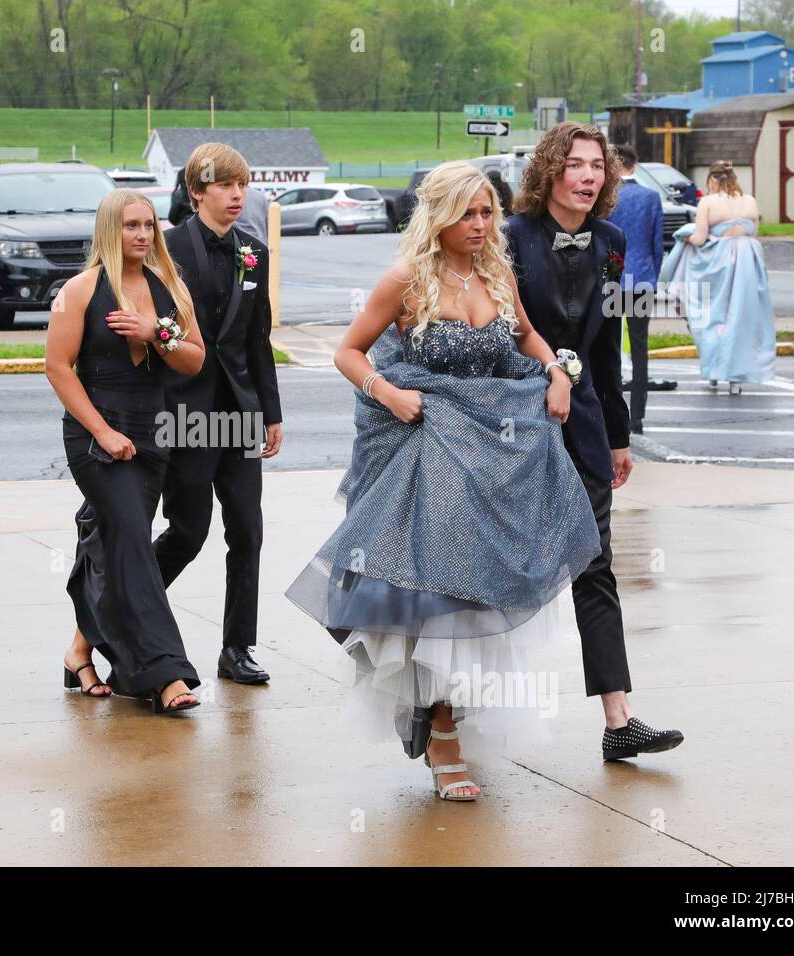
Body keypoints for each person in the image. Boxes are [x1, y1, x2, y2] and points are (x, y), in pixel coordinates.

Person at [286, 161, 601, 800]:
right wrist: (389, 392)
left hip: (493, 445)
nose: (482, 224)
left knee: (482, 586)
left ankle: (448, 716)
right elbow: (348, 350)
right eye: (469, 213)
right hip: (428, 442)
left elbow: (531, 338)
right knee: (441, 593)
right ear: (439, 217)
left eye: (488, 211)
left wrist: (559, 373)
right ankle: (444, 733)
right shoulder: (407, 279)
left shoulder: (497, 274)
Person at [506, 121, 684, 761]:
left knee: (595, 565)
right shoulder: (509, 238)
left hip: (582, 427)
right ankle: (443, 712)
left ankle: (619, 721)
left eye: (597, 166)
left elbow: (604, 352)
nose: (589, 176)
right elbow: (493, 336)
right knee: (487, 569)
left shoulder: (611, 241)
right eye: (576, 165)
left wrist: (617, 437)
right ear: (550, 172)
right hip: (511, 427)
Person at [46, 188, 207, 713]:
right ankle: (165, 674)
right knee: (133, 541)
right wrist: (102, 433)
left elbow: (194, 360)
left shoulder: (169, 288)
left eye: (148, 225)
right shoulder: (80, 289)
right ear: (110, 230)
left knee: (115, 542)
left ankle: (79, 651)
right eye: (130, 226)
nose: (142, 235)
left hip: (152, 430)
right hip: (97, 434)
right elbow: (58, 368)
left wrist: (155, 334)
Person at [153, 143, 283, 685]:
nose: (236, 195)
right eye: (225, 186)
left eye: (242, 186)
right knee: (187, 531)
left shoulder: (254, 251)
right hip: (185, 413)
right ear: (197, 191)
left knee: (247, 531)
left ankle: (237, 647)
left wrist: (271, 413)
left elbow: (258, 341)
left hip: (241, 412)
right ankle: (123, 612)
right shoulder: (168, 248)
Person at [659, 159, 776, 395]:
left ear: (713, 180)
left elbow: (700, 238)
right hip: (747, 264)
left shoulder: (709, 202)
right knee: (741, 318)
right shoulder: (750, 200)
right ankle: (737, 377)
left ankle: (715, 369)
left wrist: (685, 237)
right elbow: (755, 234)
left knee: (713, 317)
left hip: (719, 263)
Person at [606, 143, 669, 434]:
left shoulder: (608, 198)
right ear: (636, 164)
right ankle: (637, 417)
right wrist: (652, 277)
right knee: (640, 348)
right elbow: (658, 245)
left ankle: (611, 412)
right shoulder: (651, 197)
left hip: (612, 279)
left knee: (609, 348)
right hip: (642, 279)